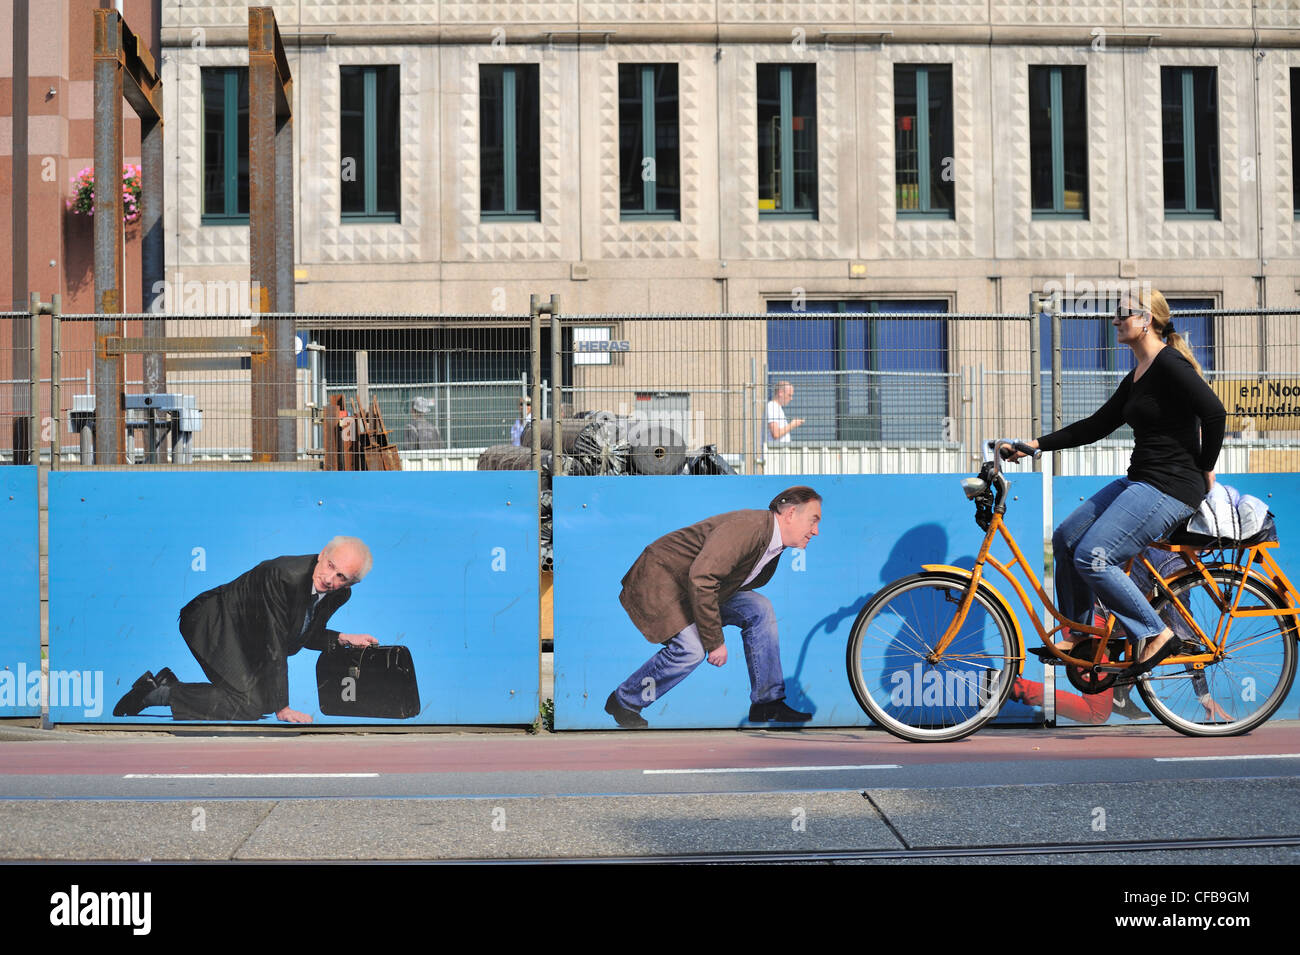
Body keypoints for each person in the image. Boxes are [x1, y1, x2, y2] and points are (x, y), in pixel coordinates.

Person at [1010, 288, 1226, 681]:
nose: (1114, 321)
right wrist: (1035, 446)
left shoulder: (1170, 364)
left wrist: (1204, 470)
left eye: (1122, 314)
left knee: (1094, 556)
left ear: (1146, 320)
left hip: (1171, 487)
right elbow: (1097, 426)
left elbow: (1214, 413)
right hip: (1141, 480)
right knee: (1066, 538)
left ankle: (1155, 632)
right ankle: (1082, 634)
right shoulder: (1138, 376)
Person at [604, 486, 822, 728]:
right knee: (691, 650)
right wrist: (714, 641)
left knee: (759, 607)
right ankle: (624, 701)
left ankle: (767, 702)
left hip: (694, 587)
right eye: (813, 520)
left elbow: (717, 581)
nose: (816, 531)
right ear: (791, 513)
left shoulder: (772, 543)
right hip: (662, 580)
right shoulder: (748, 528)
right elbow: (703, 578)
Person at [112, 537, 378, 723]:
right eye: (330, 566)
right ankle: (154, 693)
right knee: (250, 705)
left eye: (342, 576)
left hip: (246, 635)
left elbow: (301, 633)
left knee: (258, 703)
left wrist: (344, 638)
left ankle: (165, 683)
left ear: (350, 583)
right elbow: (274, 640)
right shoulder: (284, 575)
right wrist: (283, 707)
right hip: (212, 622)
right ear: (322, 554)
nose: (330, 579)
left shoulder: (337, 596)